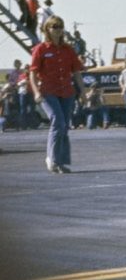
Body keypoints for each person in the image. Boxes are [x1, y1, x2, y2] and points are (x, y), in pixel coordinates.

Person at [28, 15, 85, 173]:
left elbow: (77, 72)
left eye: (60, 26)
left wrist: (83, 92)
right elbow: (32, 73)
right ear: (47, 29)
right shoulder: (41, 49)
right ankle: (52, 159)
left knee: (64, 126)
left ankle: (61, 162)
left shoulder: (68, 50)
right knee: (57, 122)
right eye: (54, 27)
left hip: (67, 92)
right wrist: (36, 92)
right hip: (48, 92)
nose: (58, 30)